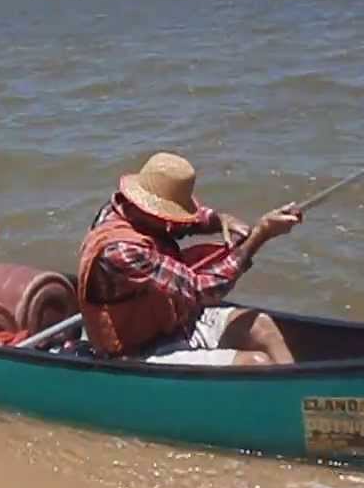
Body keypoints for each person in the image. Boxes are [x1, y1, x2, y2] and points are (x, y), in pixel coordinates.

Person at [77, 152, 301, 366]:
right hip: (137, 349)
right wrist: (259, 237)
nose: (172, 223)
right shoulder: (122, 250)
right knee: (255, 364)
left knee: (262, 327)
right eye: (169, 215)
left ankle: (300, 398)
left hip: (173, 321)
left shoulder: (123, 206)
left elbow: (186, 220)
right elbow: (202, 291)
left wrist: (219, 220)